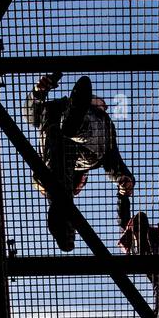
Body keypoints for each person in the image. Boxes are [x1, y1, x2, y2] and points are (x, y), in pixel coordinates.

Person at [23, 71, 135, 251]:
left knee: (61, 140)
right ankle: (72, 125)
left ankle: (74, 126)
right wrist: (38, 92)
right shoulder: (59, 108)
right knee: (55, 137)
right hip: (63, 143)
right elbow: (32, 116)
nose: (104, 106)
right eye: (101, 103)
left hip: (80, 142)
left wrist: (38, 92)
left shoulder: (102, 120)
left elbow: (113, 161)